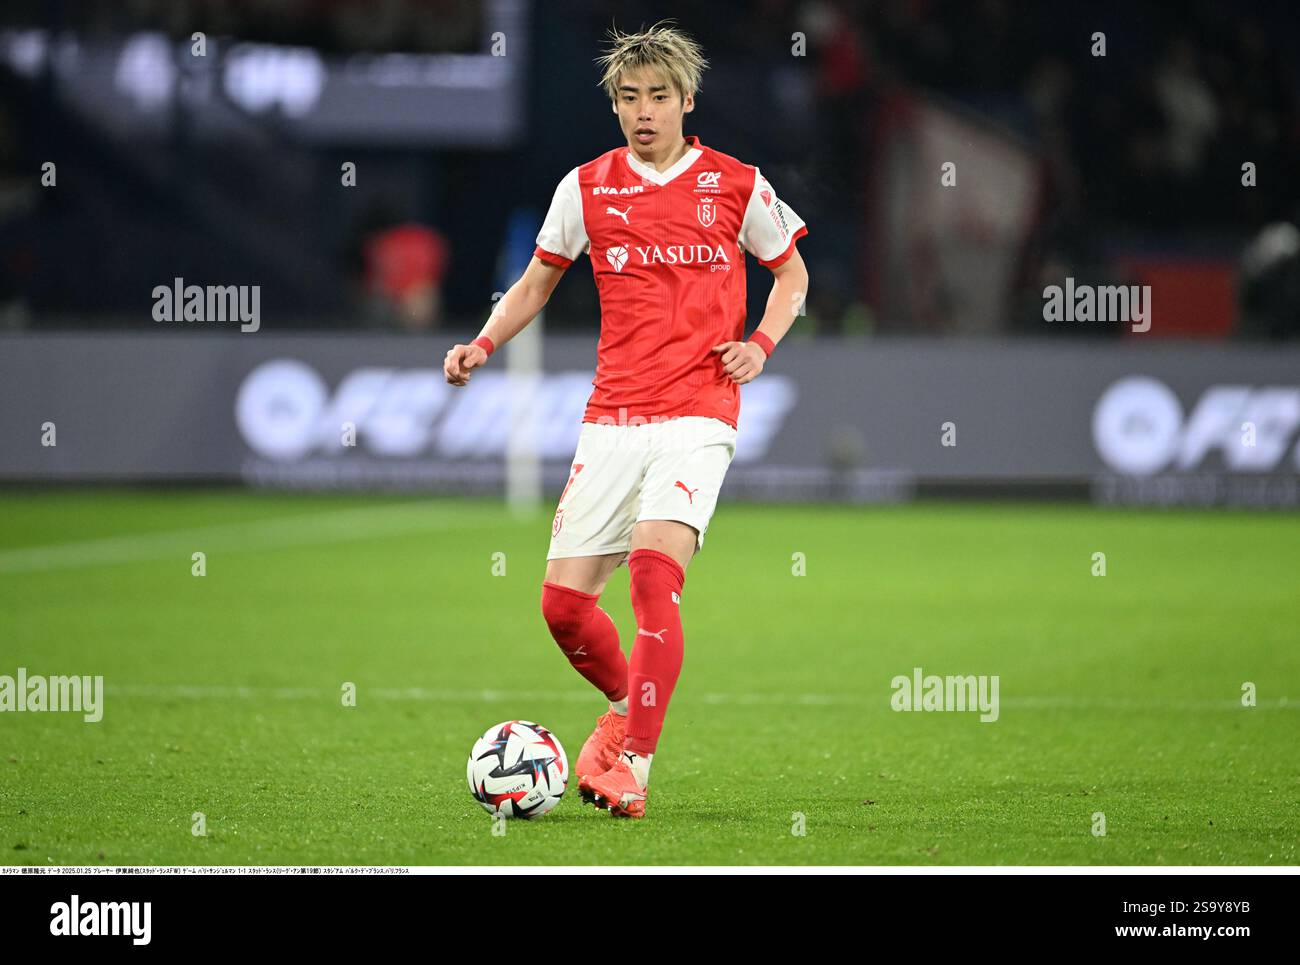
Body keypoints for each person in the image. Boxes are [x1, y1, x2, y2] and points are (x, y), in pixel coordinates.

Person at [443, 21, 809, 818]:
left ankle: (634, 762)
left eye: (658, 97)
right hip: (612, 414)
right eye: (629, 98)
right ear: (615, 105)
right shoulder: (586, 187)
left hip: (699, 410)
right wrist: (482, 341)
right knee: (563, 607)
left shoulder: (735, 184)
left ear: (686, 100)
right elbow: (538, 283)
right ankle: (624, 704)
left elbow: (792, 274)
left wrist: (760, 345)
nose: (644, 111)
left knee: (651, 573)